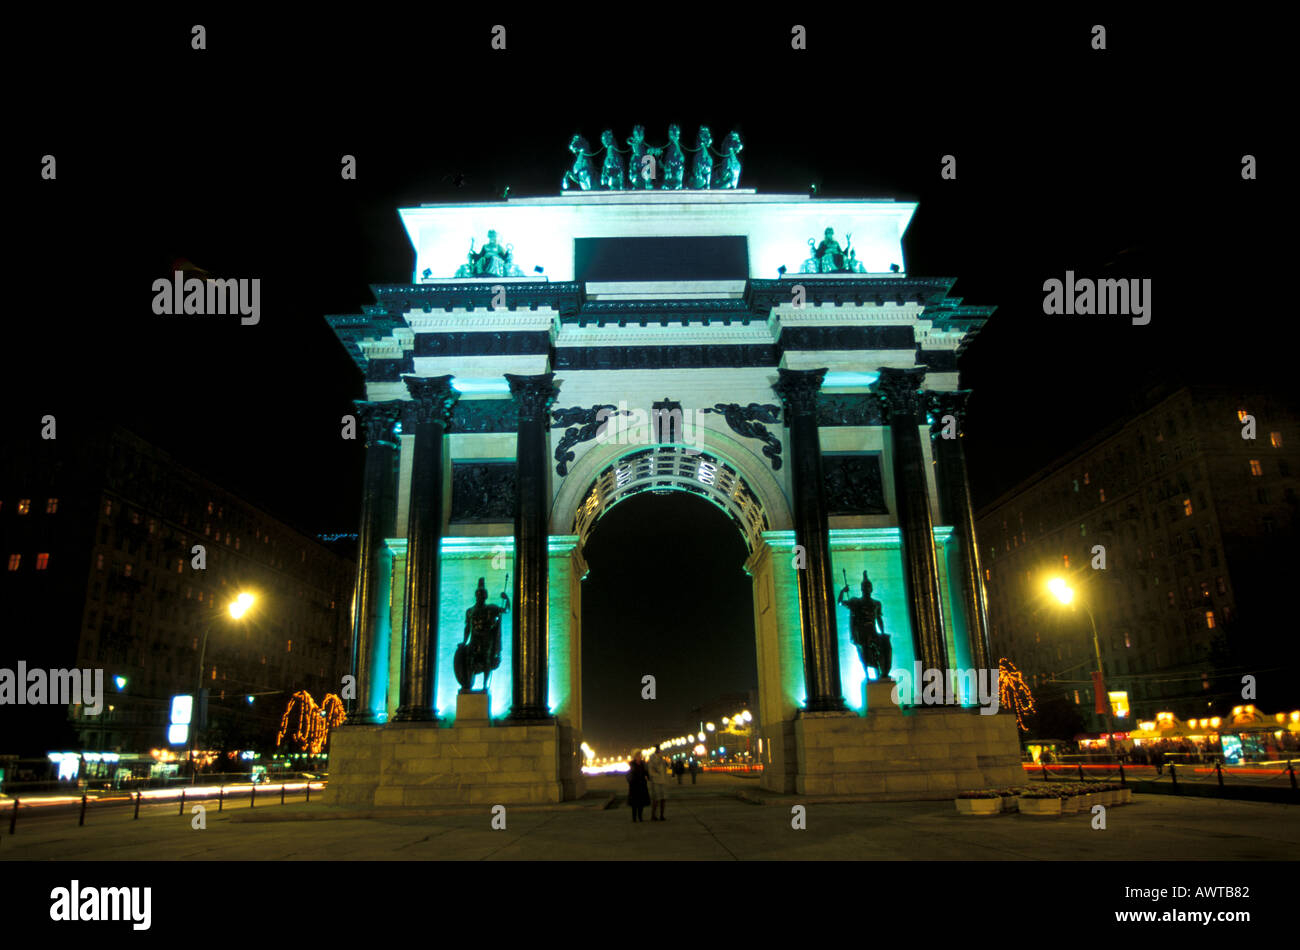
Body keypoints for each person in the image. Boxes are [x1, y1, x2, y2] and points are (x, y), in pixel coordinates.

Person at [626, 751, 650, 822]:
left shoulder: (643, 764)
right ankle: (634, 818)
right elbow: (629, 773)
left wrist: (648, 777)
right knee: (634, 803)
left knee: (641, 802)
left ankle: (640, 817)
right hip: (634, 785)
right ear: (635, 756)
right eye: (638, 755)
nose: (639, 757)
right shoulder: (632, 764)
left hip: (642, 784)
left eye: (640, 755)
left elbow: (646, 772)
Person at [647, 747, 669, 821]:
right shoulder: (652, 760)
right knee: (656, 800)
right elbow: (651, 772)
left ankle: (661, 815)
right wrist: (657, 775)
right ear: (657, 752)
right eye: (660, 752)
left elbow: (666, 768)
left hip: (663, 782)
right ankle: (653, 816)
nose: (661, 753)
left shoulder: (662, 760)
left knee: (663, 799)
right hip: (656, 782)